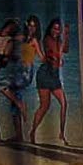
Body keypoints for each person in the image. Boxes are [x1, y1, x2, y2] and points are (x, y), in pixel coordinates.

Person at [29, 18, 70, 146]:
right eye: (54, 28)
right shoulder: (47, 39)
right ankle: (33, 132)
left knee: (64, 103)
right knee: (44, 106)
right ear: (50, 29)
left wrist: (66, 36)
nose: (56, 31)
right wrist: (57, 59)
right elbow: (51, 54)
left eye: (58, 29)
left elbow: (65, 50)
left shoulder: (59, 40)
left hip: (54, 75)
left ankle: (62, 133)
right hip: (45, 73)